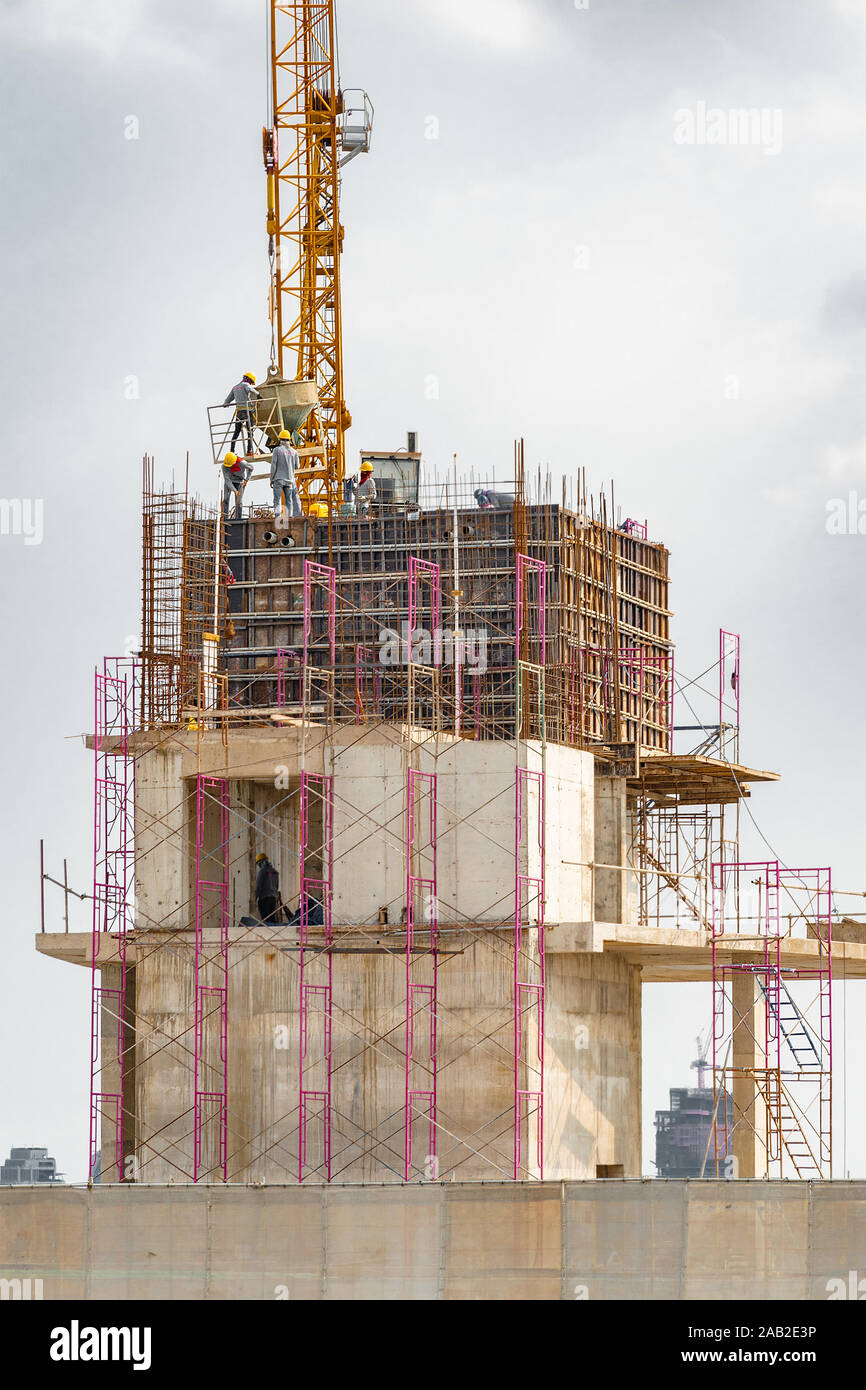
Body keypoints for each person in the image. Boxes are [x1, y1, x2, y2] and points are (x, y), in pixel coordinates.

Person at [223, 371, 261, 456]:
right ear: (249, 380)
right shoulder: (246, 385)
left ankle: (232, 451)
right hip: (247, 411)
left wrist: (225, 404)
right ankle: (249, 451)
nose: (250, 384)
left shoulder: (235, 387)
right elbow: (251, 389)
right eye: (251, 382)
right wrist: (258, 395)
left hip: (239, 412)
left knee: (236, 432)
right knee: (250, 432)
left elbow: (229, 399)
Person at [270, 429, 302, 520]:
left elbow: (273, 466)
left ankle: (278, 517)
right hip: (290, 480)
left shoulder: (277, 450)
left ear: (280, 440)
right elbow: (297, 466)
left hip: (278, 479)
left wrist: (271, 479)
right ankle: (289, 516)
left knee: (277, 499)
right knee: (289, 500)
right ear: (289, 440)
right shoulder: (294, 452)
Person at [220, 452, 252, 519]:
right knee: (226, 499)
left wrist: (246, 480)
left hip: (240, 482)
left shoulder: (242, 463)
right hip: (229, 482)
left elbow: (251, 468)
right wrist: (234, 490)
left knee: (238, 501)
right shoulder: (224, 466)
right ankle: (225, 517)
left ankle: (238, 518)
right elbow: (227, 480)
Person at [255, 852, 281, 923]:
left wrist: (254, 898)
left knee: (265, 920)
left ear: (260, 862)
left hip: (264, 899)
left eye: (258, 863)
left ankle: (268, 934)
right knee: (272, 919)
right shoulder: (275, 872)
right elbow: (277, 886)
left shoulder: (262, 872)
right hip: (273, 898)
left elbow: (258, 887)